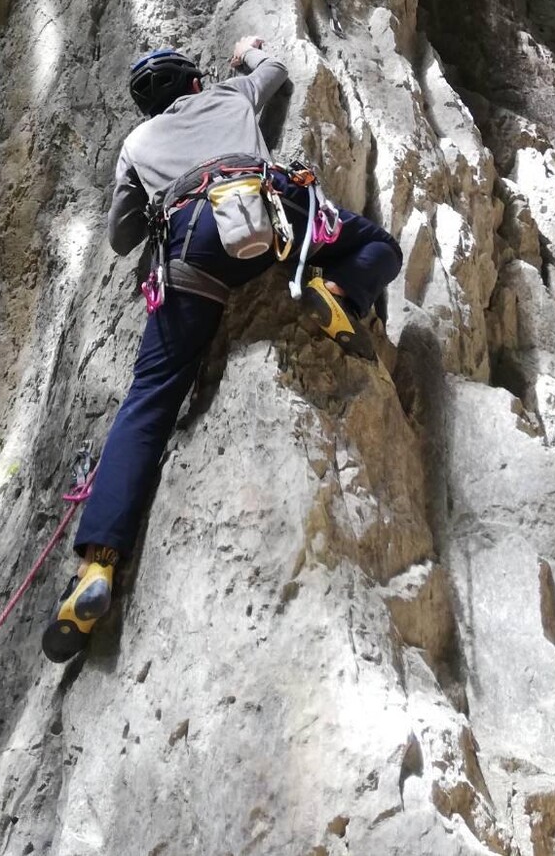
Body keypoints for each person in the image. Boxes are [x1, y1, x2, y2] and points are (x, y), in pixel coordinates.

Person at [41, 36, 403, 661]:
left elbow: (123, 238)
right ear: (191, 83)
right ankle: (340, 288)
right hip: (270, 215)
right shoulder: (231, 93)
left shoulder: (137, 143)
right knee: (380, 247)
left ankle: (98, 563)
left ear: (146, 106)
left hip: (189, 249)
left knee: (149, 403)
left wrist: (150, 182)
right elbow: (277, 70)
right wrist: (248, 54)